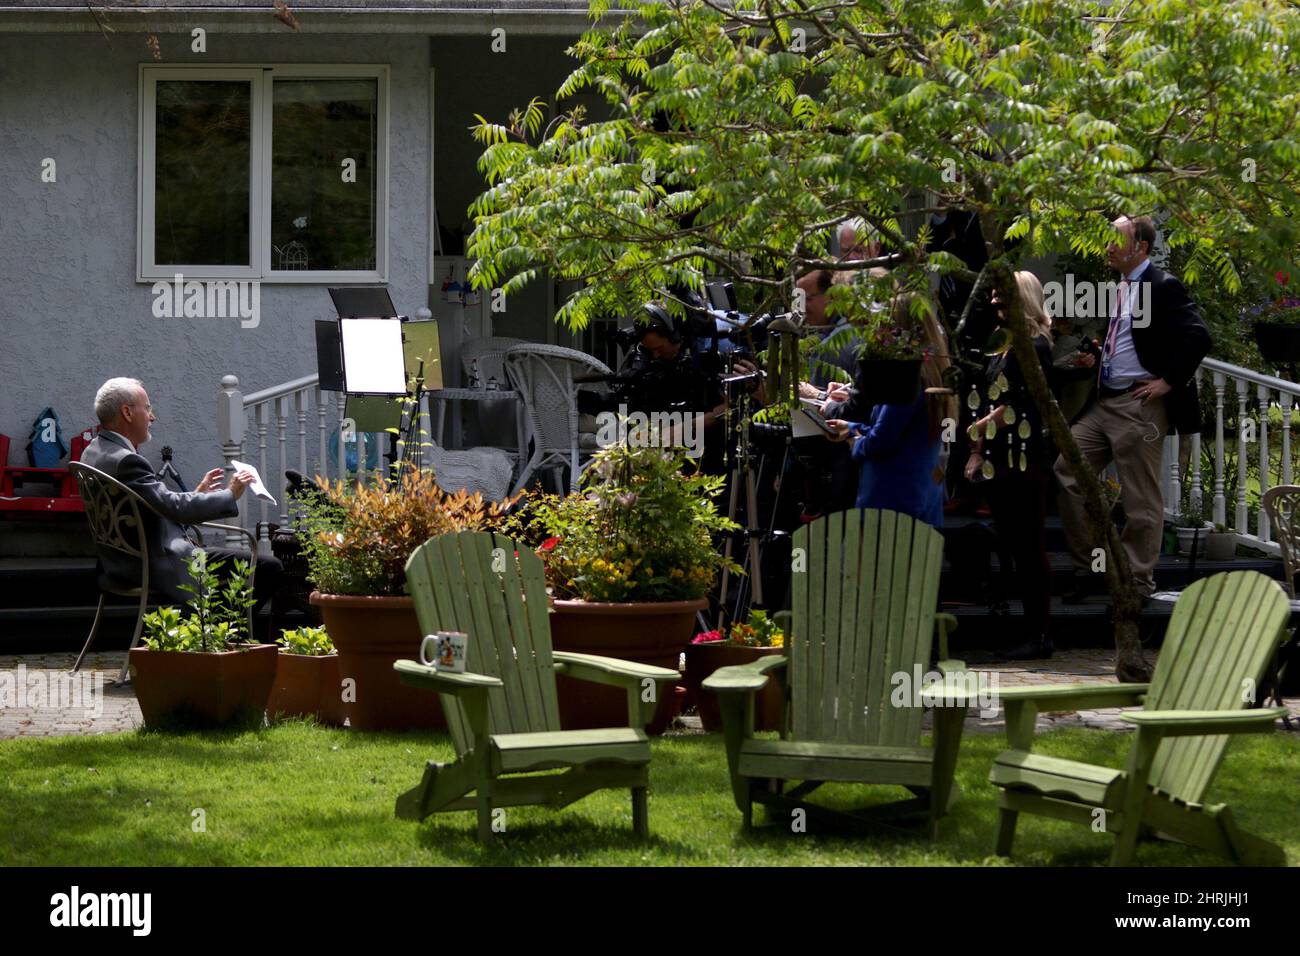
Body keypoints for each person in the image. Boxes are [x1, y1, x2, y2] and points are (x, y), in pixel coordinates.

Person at [1054, 215, 1212, 601]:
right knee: (1067, 471)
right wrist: (1096, 357)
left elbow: (1199, 336)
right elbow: (1126, 340)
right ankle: (1092, 569)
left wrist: (1167, 381)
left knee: (1140, 499)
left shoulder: (1163, 286)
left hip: (1137, 405)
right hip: (1102, 402)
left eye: (1115, 239)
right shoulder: (1121, 286)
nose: (1107, 245)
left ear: (1140, 247)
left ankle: (1136, 583)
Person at [80, 377, 282, 633]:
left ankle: (209, 633)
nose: (152, 417)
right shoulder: (127, 461)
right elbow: (173, 506)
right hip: (155, 562)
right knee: (267, 567)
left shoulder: (93, 452)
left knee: (242, 564)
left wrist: (198, 493)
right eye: (148, 407)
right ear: (127, 413)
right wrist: (229, 494)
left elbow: (152, 506)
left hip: (118, 563)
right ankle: (218, 633)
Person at [965, 272, 1056, 659]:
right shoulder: (1004, 346)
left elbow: (1020, 405)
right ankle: (1020, 627)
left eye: (1002, 299)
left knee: (1029, 546)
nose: (994, 304)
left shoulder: (1035, 347)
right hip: (1000, 459)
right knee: (1011, 545)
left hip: (1025, 459)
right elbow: (990, 400)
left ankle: (1039, 633)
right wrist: (978, 447)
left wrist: (977, 431)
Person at [825, 294, 957, 527]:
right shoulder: (932, 372)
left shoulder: (909, 379)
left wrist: (855, 442)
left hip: (893, 500)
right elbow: (897, 430)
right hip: (921, 495)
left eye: (886, 323)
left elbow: (881, 440)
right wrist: (852, 427)